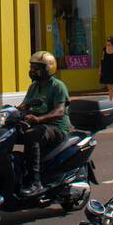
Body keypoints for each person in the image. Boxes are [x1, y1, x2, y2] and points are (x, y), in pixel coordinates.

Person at [17, 51, 71, 197]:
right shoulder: (34, 87)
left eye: (36, 68)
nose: (32, 71)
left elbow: (59, 111)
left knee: (32, 136)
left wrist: (39, 119)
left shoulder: (58, 86)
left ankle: (36, 183)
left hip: (56, 127)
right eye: (31, 67)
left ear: (48, 69)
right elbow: (24, 106)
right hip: (38, 125)